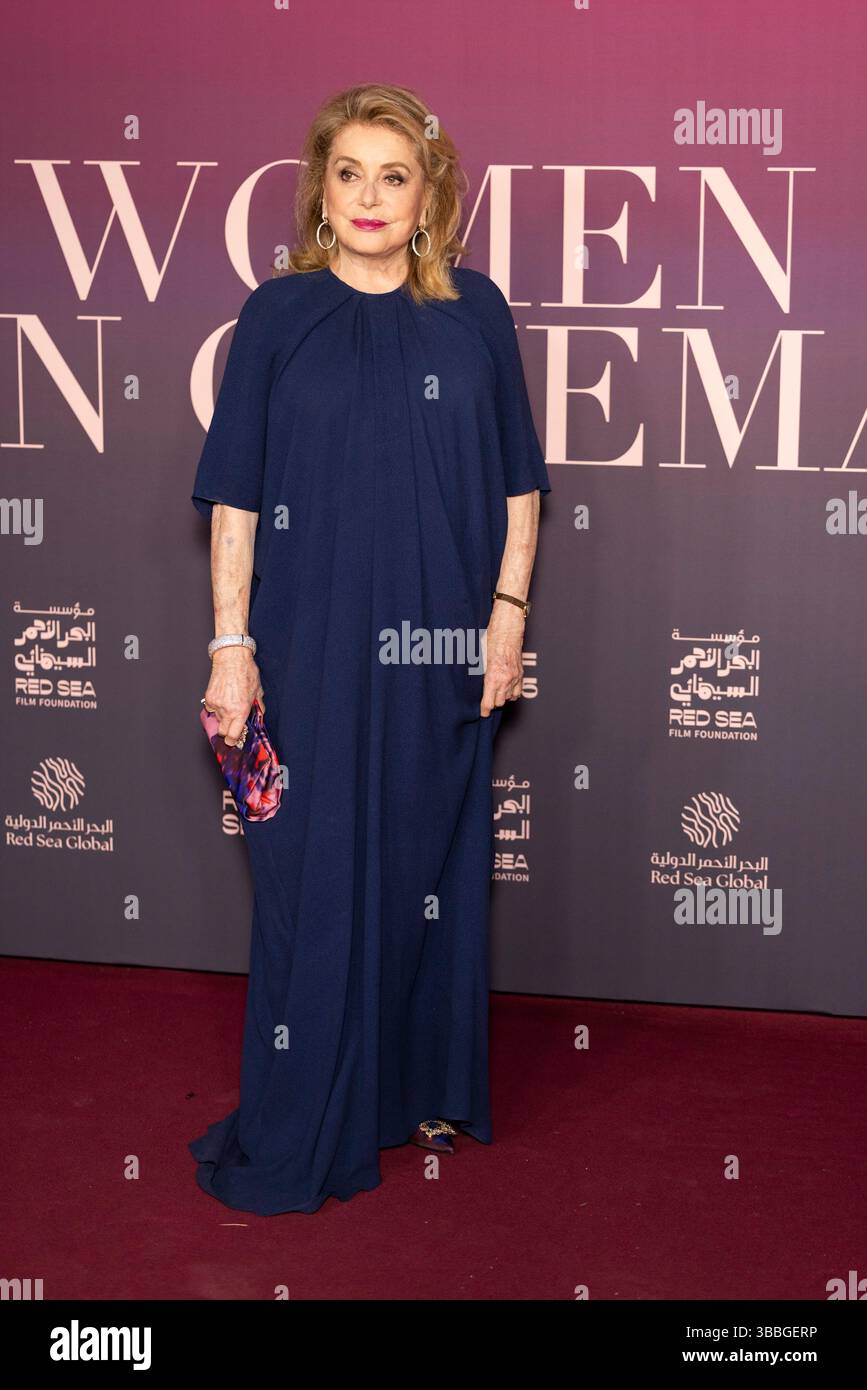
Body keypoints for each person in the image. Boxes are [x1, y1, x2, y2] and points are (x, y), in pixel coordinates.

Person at [189, 83, 551, 1215]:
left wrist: (506, 616)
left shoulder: (476, 313)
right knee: (314, 879)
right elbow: (234, 501)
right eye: (350, 173)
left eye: (395, 175)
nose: (371, 197)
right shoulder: (276, 316)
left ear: (429, 191)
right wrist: (230, 649)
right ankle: (311, 1111)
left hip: (442, 639)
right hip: (308, 647)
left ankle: (415, 1090)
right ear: (321, 186)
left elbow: (521, 485)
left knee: (423, 869)